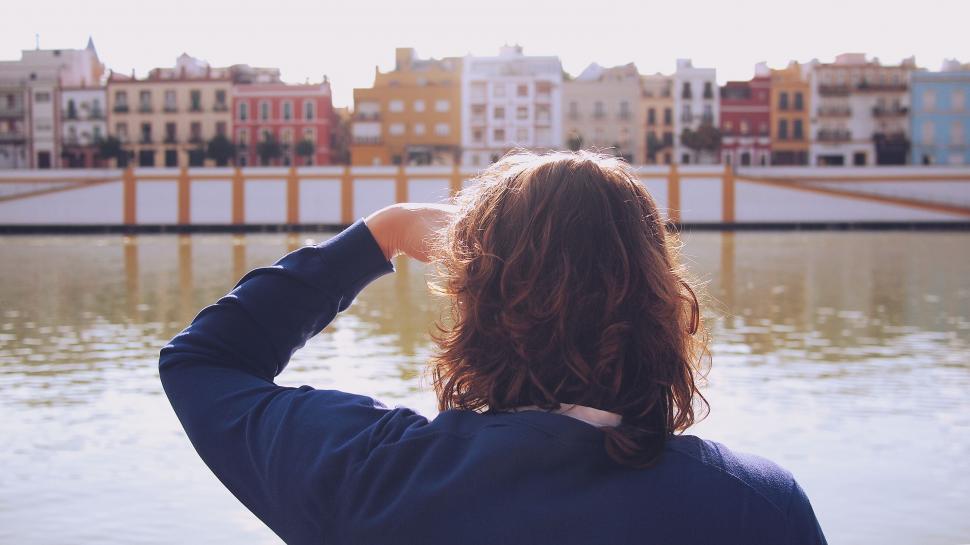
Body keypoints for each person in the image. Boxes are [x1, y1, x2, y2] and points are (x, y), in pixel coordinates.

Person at [159, 150, 827, 545]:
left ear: (475, 304)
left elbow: (204, 359)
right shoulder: (755, 506)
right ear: (662, 303)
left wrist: (383, 233)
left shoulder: (374, 475)